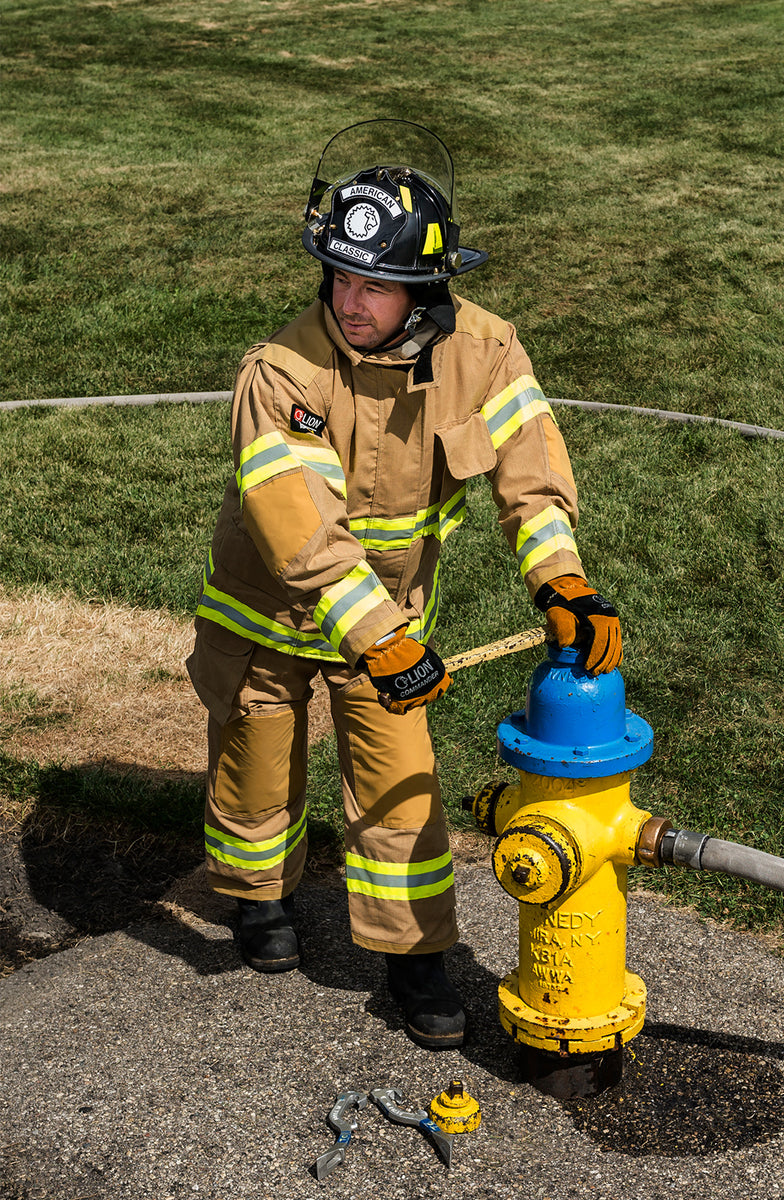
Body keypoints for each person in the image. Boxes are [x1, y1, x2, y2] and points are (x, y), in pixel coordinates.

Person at [186, 119, 622, 1051]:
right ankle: (260, 905)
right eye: (339, 276)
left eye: (374, 284)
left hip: (390, 627)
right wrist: (377, 634)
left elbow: (530, 476)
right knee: (256, 774)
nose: (349, 301)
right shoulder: (281, 372)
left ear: (426, 285)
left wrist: (564, 585)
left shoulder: (490, 352)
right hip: (267, 614)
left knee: (403, 795)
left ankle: (414, 959)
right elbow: (301, 528)